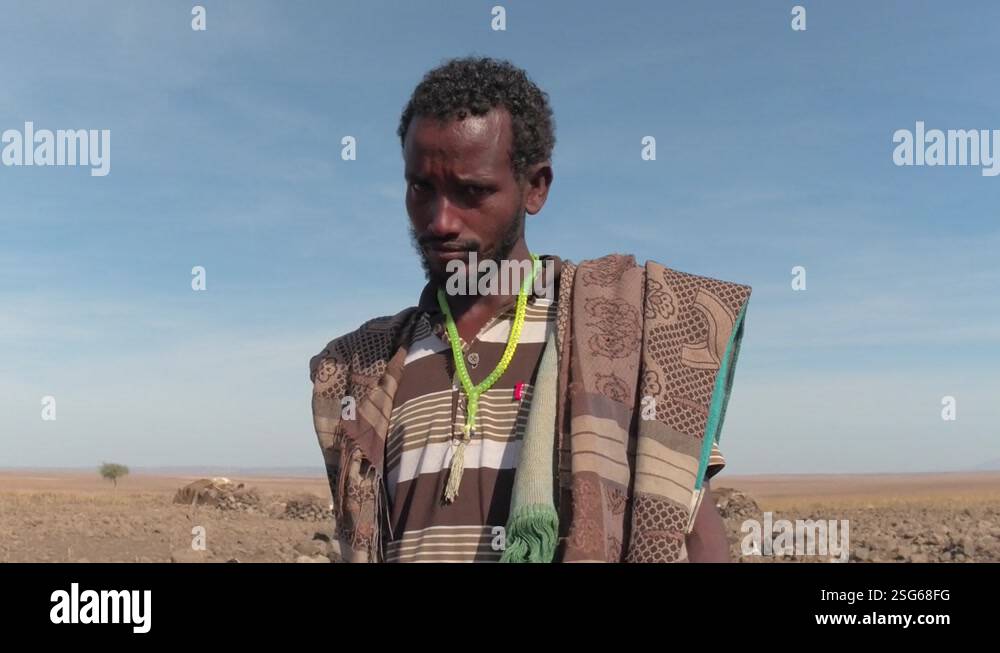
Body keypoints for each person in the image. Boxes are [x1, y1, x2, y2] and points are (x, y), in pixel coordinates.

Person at [309, 56, 751, 563]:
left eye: (472, 190)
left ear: (535, 187)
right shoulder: (369, 367)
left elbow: (690, 533)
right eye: (421, 188)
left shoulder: (627, 340)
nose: (441, 219)